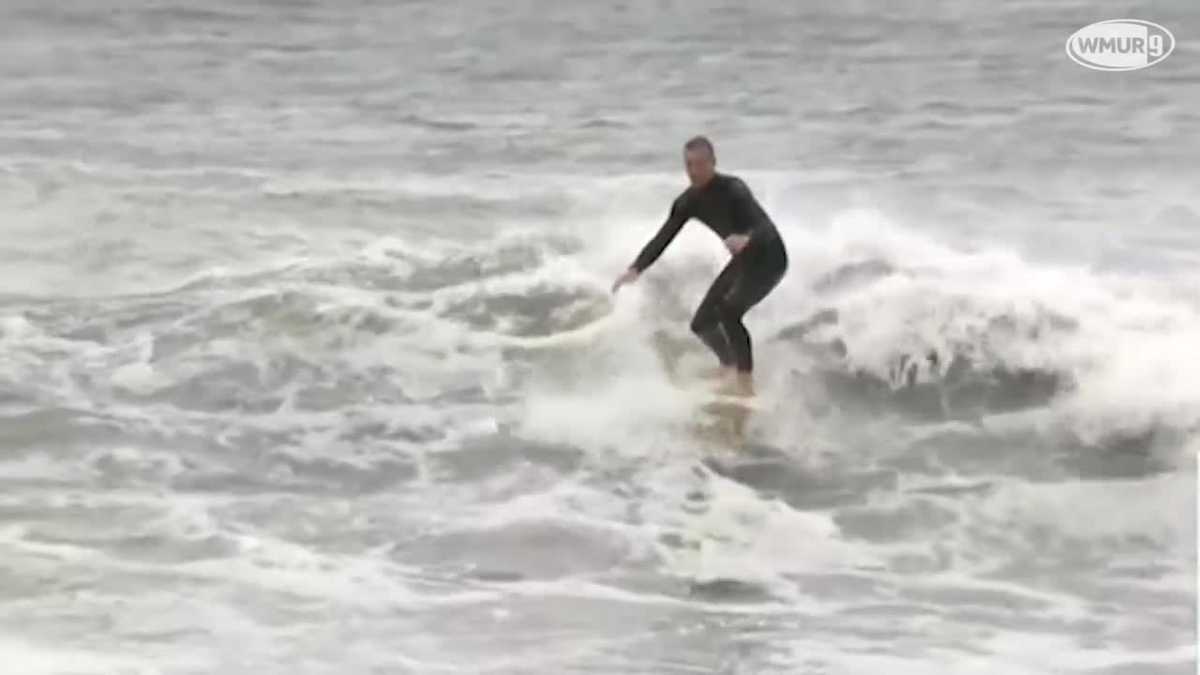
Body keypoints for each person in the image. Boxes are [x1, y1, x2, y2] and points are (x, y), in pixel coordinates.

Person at [611, 136, 788, 397]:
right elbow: (664, 237)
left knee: (729, 311)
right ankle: (729, 364)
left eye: (699, 164)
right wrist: (636, 268)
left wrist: (747, 237)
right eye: (688, 165)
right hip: (745, 261)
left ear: (713, 163)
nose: (693, 171)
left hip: (771, 258)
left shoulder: (734, 189)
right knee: (702, 323)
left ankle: (745, 382)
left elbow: (765, 228)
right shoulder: (688, 202)